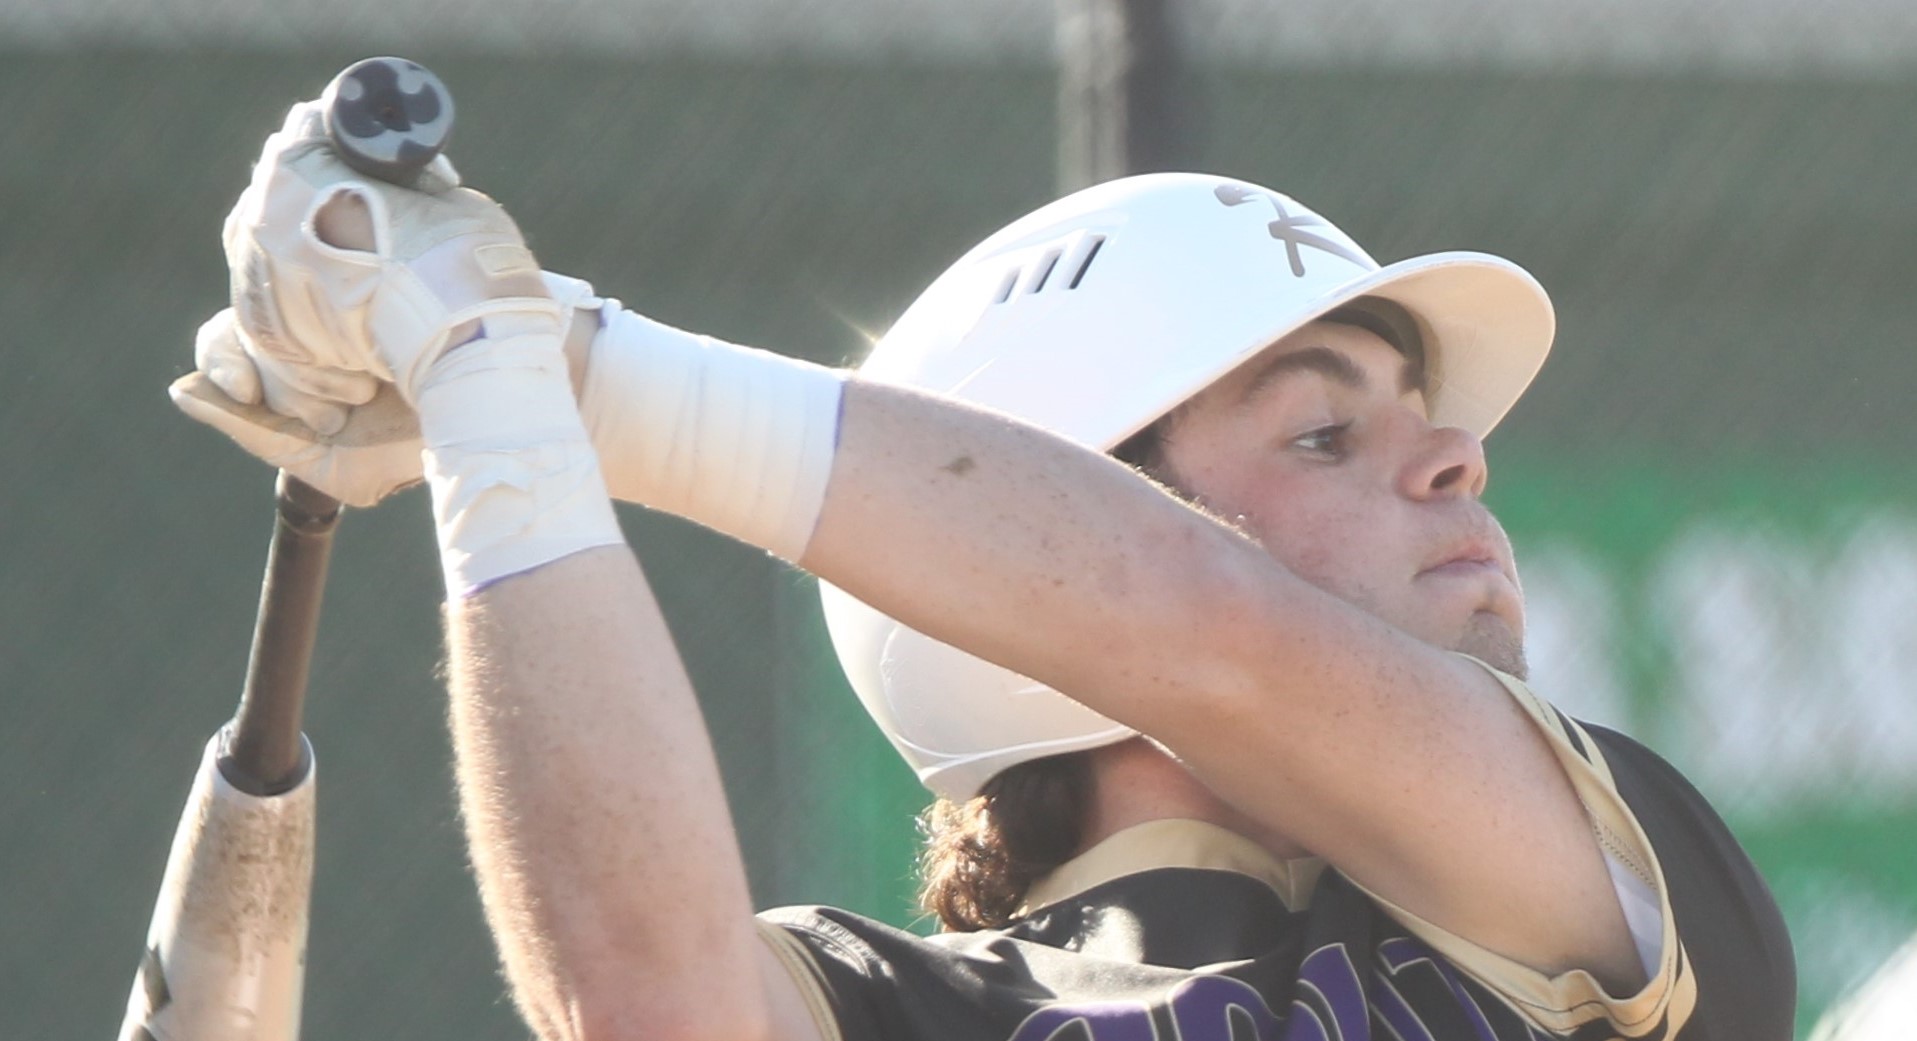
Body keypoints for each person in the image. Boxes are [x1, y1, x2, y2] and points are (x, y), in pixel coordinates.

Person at [173, 98, 1796, 1040]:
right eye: (1322, 433)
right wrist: (495, 415)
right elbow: (644, 1002)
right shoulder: (891, 1002)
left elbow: (1210, 630)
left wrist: (545, 357)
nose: (1454, 460)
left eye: (1421, 417)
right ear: (1017, 560)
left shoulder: (1613, 887)